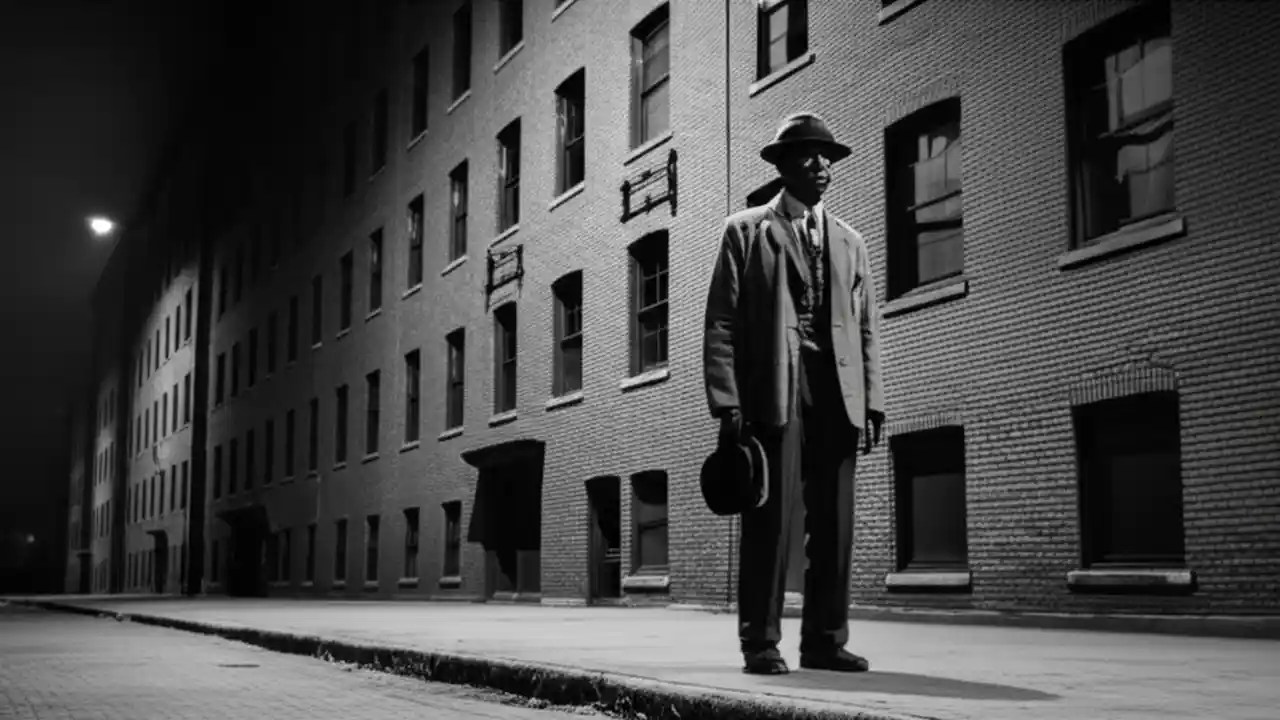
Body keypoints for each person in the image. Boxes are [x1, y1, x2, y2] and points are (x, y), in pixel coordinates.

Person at [703, 112, 885, 675]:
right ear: (783, 166)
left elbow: (867, 325)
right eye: (808, 156)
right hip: (774, 391)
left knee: (834, 524)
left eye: (827, 157)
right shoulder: (745, 231)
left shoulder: (852, 242)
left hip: (838, 391)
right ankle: (760, 642)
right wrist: (727, 403)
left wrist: (873, 400)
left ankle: (825, 641)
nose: (821, 165)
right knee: (771, 522)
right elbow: (722, 323)